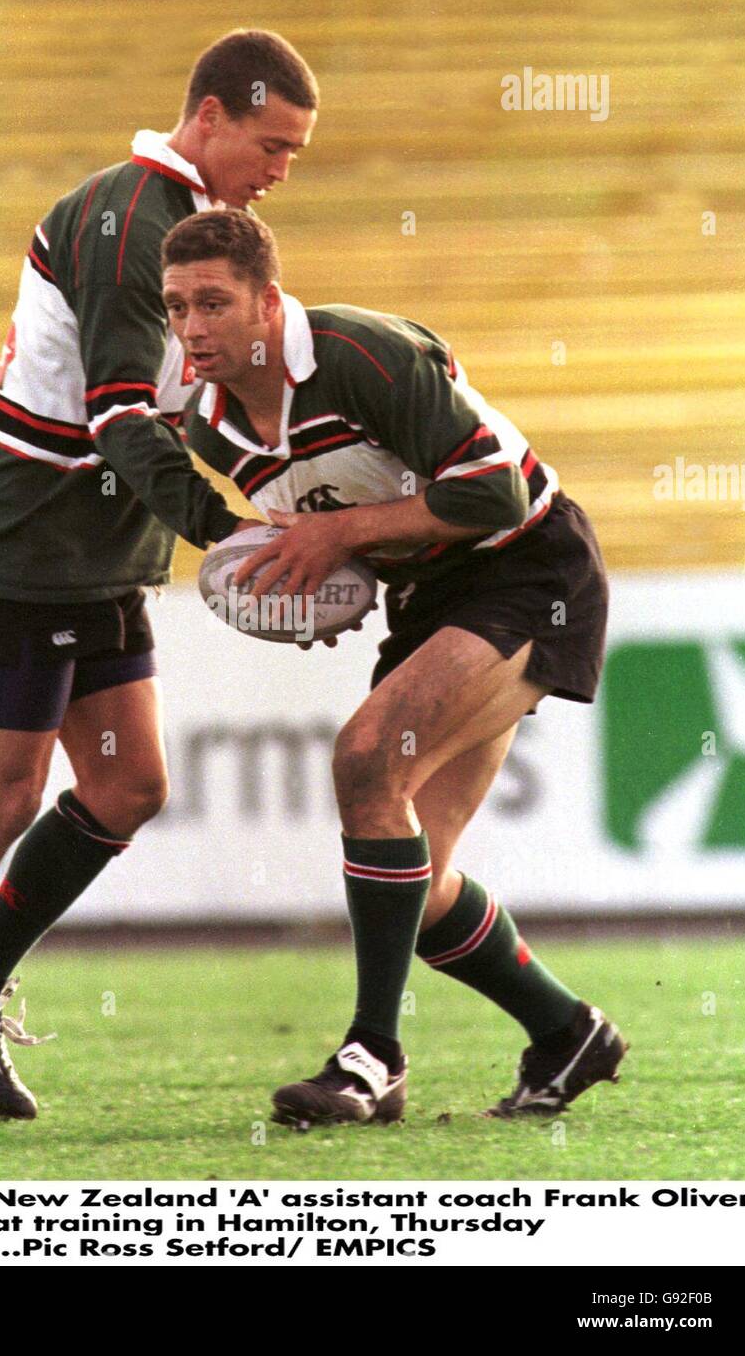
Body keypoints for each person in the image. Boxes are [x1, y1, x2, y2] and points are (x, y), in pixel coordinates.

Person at [0, 32, 318, 1126]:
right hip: (15, 547)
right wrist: (230, 533)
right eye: (273, 143)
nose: (284, 168)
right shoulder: (129, 222)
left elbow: (187, 401)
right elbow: (118, 418)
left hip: (92, 555)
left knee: (125, 786)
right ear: (209, 115)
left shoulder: (189, 230)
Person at [162, 208, 627, 1127]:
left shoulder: (359, 355)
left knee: (366, 760)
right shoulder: (207, 424)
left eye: (214, 302)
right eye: (176, 308)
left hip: (529, 566)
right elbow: (350, 522)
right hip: (428, 595)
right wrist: (326, 579)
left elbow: (494, 489)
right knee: (421, 883)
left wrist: (339, 534)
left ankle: (371, 1056)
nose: (193, 328)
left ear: (268, 302)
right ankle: (566, 1029)